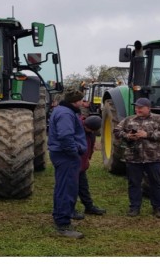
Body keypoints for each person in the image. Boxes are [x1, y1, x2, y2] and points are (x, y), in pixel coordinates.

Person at [115, 97, 160, 218]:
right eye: (136, 107)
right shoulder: (129, 120)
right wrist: (128, 136)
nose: (138, 109)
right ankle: (134, 208)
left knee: (156, 183)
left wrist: (147, 134)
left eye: (140, 107)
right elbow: (116, 131)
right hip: (133, 158)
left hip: (153, 158)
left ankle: (158, 208)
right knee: (134, 184)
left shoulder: (159, 119)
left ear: (148, 108)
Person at [49, 90, 89, 238]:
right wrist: (74, 152)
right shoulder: (66, 114)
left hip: (64, 154)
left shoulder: (63, 110)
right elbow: (65, 136)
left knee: (64, 187)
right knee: (66, 188)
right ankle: (63, 224)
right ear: (76, 101)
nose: (83, 103)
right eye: (81, 100)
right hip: (66, 155)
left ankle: (63, 213)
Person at [76, 113, 107, 218]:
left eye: (90, 130)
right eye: (87, 128)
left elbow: (91, 146)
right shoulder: (77, 128)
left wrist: (88, 158)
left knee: (84, 187)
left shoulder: (91, 133)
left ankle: (89, 207)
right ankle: (70, 209)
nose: (88, 130)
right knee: (71, 189)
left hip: (82, 165)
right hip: (73, 164)